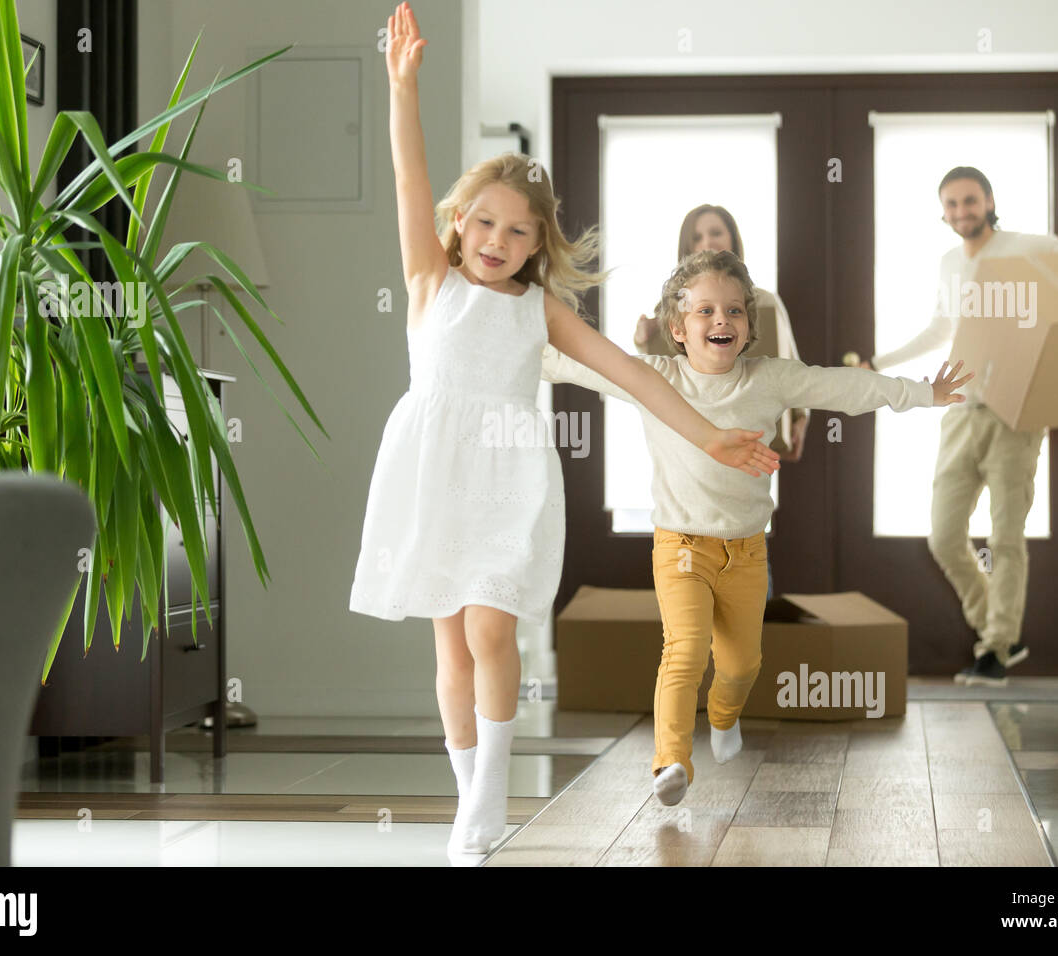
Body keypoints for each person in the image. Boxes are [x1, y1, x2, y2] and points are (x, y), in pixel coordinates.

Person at [349, 3, 779, 856]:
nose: (498, 240)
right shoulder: (431, 283)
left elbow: (632, 375)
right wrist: (402, 88)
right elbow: (408, 175)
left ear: (538, 242)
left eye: (518, 230)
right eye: (484, 223)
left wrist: (710, 435)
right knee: (450, 644)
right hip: (433, 471)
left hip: (509, 479)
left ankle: (493, 791)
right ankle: (470, 795)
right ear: (460, 223)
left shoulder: (540, 310)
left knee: (490, 627)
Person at [543, 249, 972, 805]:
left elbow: (844, 389)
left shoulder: (770, 380)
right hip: (680, 544)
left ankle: (725, 716)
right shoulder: (651, 378)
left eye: (735, 312)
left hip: (745, 551)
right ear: (677, 328)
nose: (721, 320)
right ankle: (669, 762)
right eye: (705, 312)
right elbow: (577, 364)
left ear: (748, 328)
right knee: (685, 649)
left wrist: (923, 393)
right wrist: (512, 339)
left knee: (742, 664)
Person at [855, 166, 1058, 686]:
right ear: (944, 213)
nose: (962, 212)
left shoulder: (1023, 248)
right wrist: (879, 360)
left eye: (970, 201)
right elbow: (941, 328)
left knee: (1006, 536)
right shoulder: (947, 263)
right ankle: (1000, 632)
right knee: (944, 536)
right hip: (962, 409)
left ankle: (996, 650)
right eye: (953, 205)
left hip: (1017, 412)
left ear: (988, 201)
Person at [634, 204, 809, 601]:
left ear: (733, 240)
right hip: (691, 443)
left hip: (746, 437)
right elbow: (651, 378)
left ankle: (750, 614)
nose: (707, 242)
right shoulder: (673, 310)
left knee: (744, 523)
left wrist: (801, 418)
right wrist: (643, 339)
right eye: (697, 236)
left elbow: (791, 365)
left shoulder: (763, 301)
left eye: (716, 233)